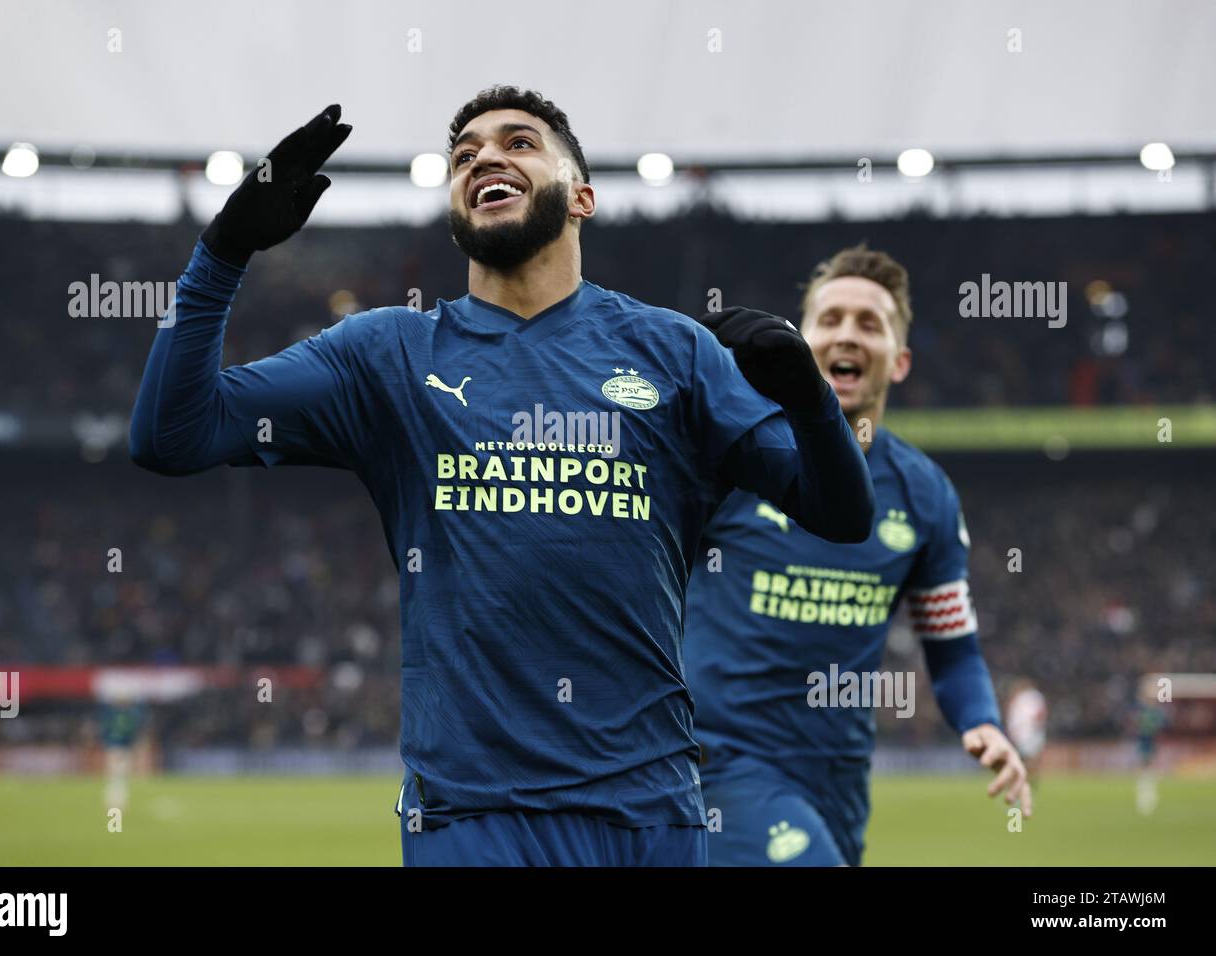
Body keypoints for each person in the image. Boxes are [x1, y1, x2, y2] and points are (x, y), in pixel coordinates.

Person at [129, 89, 874, 866]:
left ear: (581, 195)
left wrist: (809, 397)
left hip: (653, 817)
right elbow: (172, 434)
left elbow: (841, 513)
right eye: (463, 156)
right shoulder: (387, 355)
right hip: (474, 821)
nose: (484, 156)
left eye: (518, 142)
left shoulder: (676, 354)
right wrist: (223, 252)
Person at [684, 245, 1031, 866]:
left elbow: (952, 649)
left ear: (899, 362)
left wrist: (981, 720)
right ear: (802, 342)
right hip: (724, 764)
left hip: (839, 777)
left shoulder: (925, 494)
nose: (848, 334)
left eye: (869, 324)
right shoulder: (737, 461)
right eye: (831, 319)